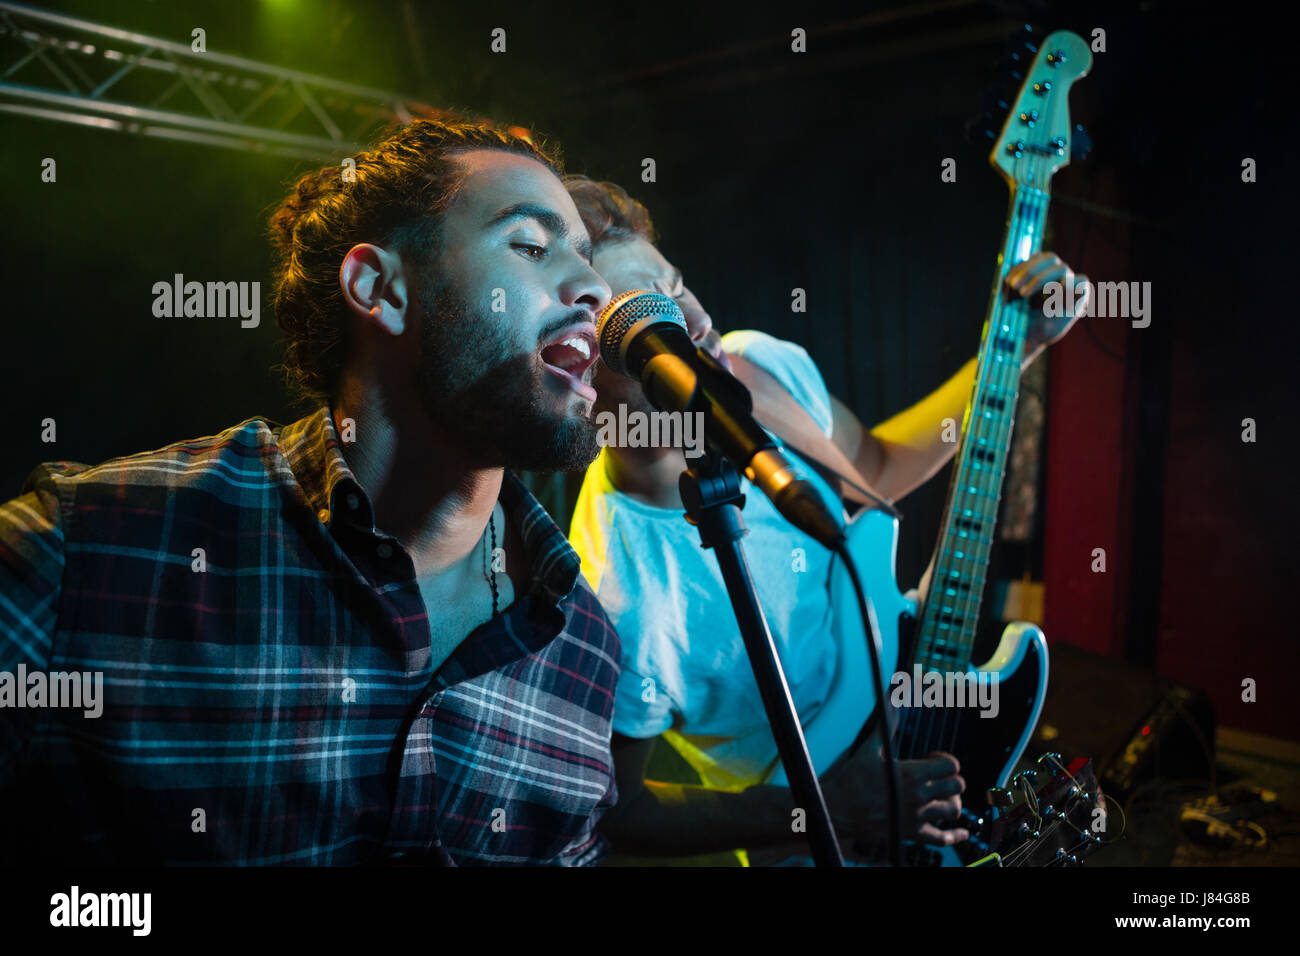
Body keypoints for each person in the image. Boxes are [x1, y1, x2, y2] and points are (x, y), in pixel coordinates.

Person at [0, 120, 622, 866]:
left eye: (587, 258)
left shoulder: (582, 643)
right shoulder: (86, 548)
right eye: (529, 244)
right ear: (379, 288)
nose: (596, 290)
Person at [564, 175, 1085, 864]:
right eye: (645, 318)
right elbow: (616, 811)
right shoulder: (611, 590)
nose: (694, 321)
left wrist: (1013, 351)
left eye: (677, 284)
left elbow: (878, 462)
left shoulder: (759, 368)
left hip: (934, 756)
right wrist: (822, 807)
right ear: (580, 372)